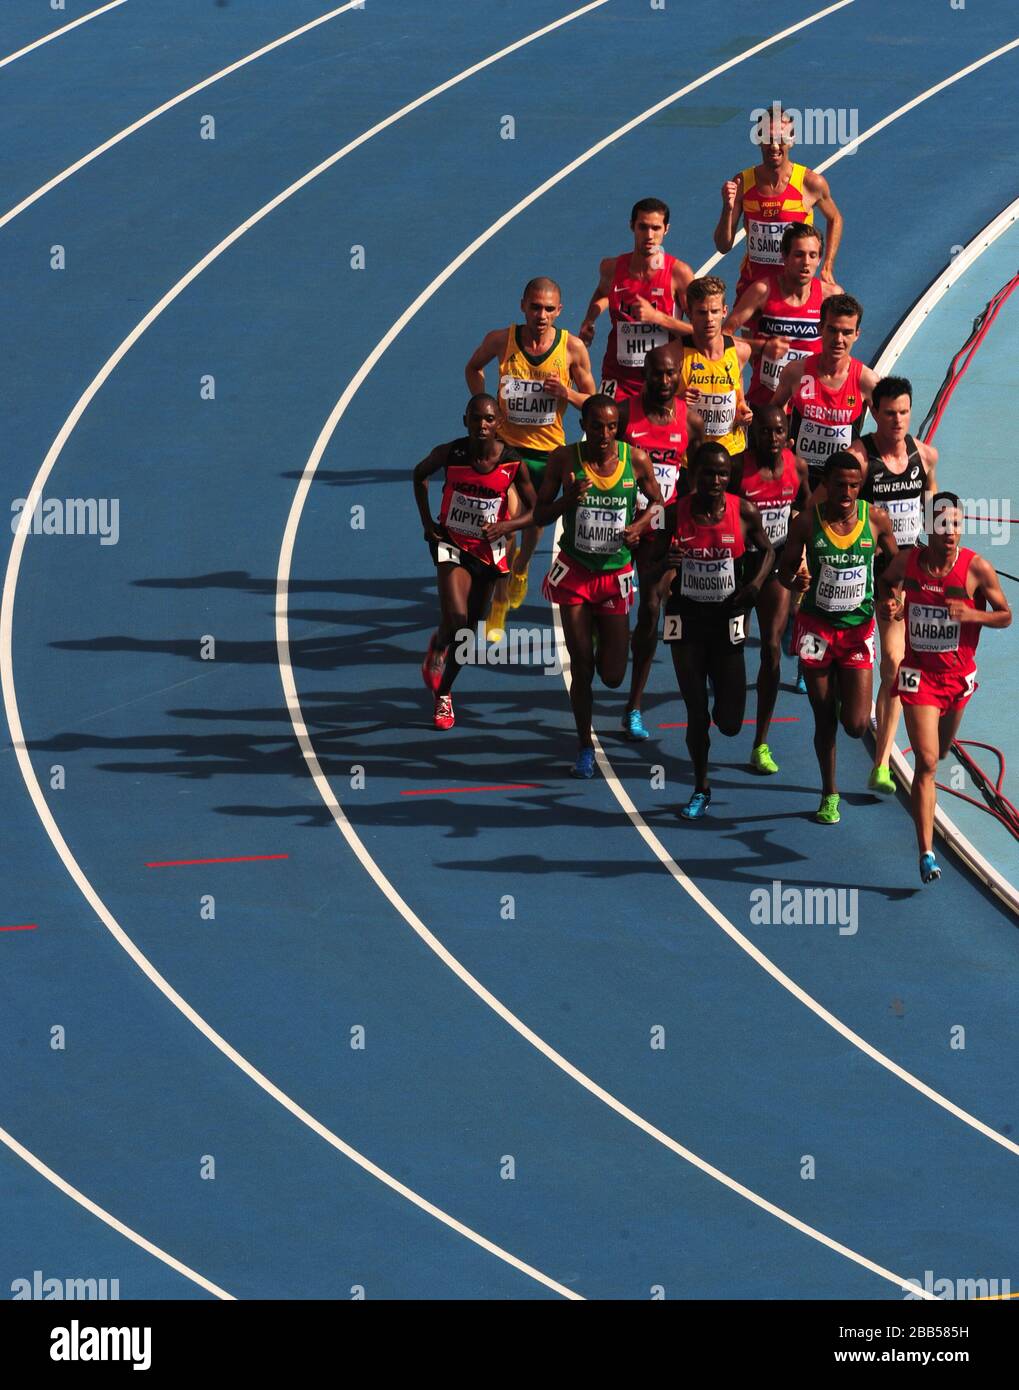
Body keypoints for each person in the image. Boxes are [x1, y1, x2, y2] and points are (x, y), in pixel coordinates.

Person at [877, 493, 1011, 884]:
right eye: (942, 524)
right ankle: (926, 852)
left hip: (958, 678)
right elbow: (887, 583)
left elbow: (1006, 615)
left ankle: (927, 821)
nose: (950, 532)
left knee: (945, 748)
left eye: (956, 524)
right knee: (929, 762)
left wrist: (972, 614)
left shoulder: (975, 569)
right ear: (929, 526)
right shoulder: (909, 562)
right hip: (920, 676)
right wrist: (891, 603)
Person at [533, 394, 661, 777]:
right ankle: (584, 747)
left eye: (610, 427)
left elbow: (659, 504)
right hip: (575, 570)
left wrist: (638, 527)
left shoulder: (635, 460)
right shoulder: (562, 459)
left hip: (614, 574)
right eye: (596, 426)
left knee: (613, 675)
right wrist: (566, 501)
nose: (604, 434)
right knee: (583, 668)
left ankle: (597, 636)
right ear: (583, 426)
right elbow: (540, 512)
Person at [464, 276, 595, 636]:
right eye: (535, 306)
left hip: (548, 454)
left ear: (559, 311)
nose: (541, 315)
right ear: (522, 305)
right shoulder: (500, 340)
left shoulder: (572, 349)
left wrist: (566, 392)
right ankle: (501, 600)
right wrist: (487, 406)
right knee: (505, 520)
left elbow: (594, 401)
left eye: (549, 309)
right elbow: (473, 367)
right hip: (509, 450)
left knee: (535, 524)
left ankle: (522, 566)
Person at [778, 450, 897, 824]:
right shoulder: (805, 524)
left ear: (861, 486)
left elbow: (895, 565)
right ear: (825, 485)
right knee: (823, 715)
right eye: (839, 484)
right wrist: (794, 581)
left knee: (857, 725)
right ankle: (829, 794)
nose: (846, 492)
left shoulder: (875, 519)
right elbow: (782, 573)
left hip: (857, 632)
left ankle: (850, 696)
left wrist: (893, 596)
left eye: (854, 485)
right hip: (815, 630)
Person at [661, 442, 774, 818]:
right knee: (696, 712)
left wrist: (755, 585)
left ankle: (716, 717)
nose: (715, 480)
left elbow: (769, 551)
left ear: (730, 477)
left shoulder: (744, 512)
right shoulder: (674, 513)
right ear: (694, 474)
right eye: (708, 473)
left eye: (722, 474)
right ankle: (700, 787)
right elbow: (647, 561)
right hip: (686, 619)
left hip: (728, 619)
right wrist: (667, 561)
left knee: (728, 723)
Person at [413, 395, 537, 730]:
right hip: (452, 545)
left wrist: (507, 526)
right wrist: (428, 526)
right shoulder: (450, 454)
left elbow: (534, 509)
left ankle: (445, 677)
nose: (481, 426)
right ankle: (442, 693)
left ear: (498, 423)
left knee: (469, 632)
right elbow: (419, 475)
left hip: (489, 553)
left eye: (488, 420)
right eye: (475, 419)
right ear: (464, 420)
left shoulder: (512, 462)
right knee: (456, 615)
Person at [848, 377, 939, 796]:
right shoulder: (860, 459)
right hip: (859, 569)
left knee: (894, 663)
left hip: (901, 577)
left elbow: (934, 507)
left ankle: (881, 763)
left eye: (904, 412)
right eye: (889, 413)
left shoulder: (925, 456)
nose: (898, 420)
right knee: (854, 658)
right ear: (874, 412)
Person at [618, 344, 705, 740]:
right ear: (644, 376)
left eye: (672, 374)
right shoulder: (622, 416)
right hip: (616, 526)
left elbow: (699, 478)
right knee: (614, 615)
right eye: (658, 374)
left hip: (660, 528)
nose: (666, 381)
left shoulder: (691, 422)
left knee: (652, 611)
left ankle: (633, 706)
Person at [729, 406, 808, 772]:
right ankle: (725, 698)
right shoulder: (735, 469)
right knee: (731, 645)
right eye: (765, 431)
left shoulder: (798, 467)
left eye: (778, 431)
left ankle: (760, 743)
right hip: (736, 568)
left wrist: (802, 552)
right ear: (752, 432)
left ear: (787, 433)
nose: (772, 438)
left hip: (774, 565)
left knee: (772, 648)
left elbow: (805, 510)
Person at [714, 103, 844, 303]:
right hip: (754, 290)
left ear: (791, 140)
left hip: (796, 291)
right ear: (759, 140)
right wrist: (727, 209)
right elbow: (723, 246)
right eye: (768, 138)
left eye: (781, 138)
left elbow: (835, 218)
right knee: (748, 336)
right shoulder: (743, 182)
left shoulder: (809, 183)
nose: (774, 145)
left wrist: (827, 266)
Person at [579, 198, 694, 402]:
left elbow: (701, 333)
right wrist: (590, 319)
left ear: (666, 229)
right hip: (618, 378)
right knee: (608, 430)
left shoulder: (679, 273)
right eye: (643, 227)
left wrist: (657, 318)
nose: (649, 235)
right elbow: (602, 293)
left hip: (663, 380)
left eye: (656, 228)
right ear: (632, 226)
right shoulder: (612, 268)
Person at [724, 222, 841, 409]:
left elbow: (843, 349)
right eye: (799, 254)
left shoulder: (831, 297)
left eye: (812, 255)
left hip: (809, 407)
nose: (806, 263)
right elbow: (723, 335)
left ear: (819, 259)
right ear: (784, 257)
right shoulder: (762, 291)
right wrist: (761, 346)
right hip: (765, 404)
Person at [771, 293, 878, 492]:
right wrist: (779, 441)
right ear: (821, 328)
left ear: (857, 334)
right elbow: (772, 412)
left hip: (842, 485)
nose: (839, 339)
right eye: (832, 330)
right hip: (800, 479)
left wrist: (865, 457)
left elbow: (888, 432)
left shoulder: (866, 380)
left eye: (847, 332)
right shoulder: (796, 371)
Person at [679, 276, 753, 461]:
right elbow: (656, 408)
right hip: (690, 457)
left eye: (714, 311)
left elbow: (738, 393)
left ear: (724, 312)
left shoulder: (740, 351)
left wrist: (742, 408)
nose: (709, 319)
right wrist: (677, 401)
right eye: (702, 312)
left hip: (731, 453)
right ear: (689, 313)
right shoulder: (675, 356)